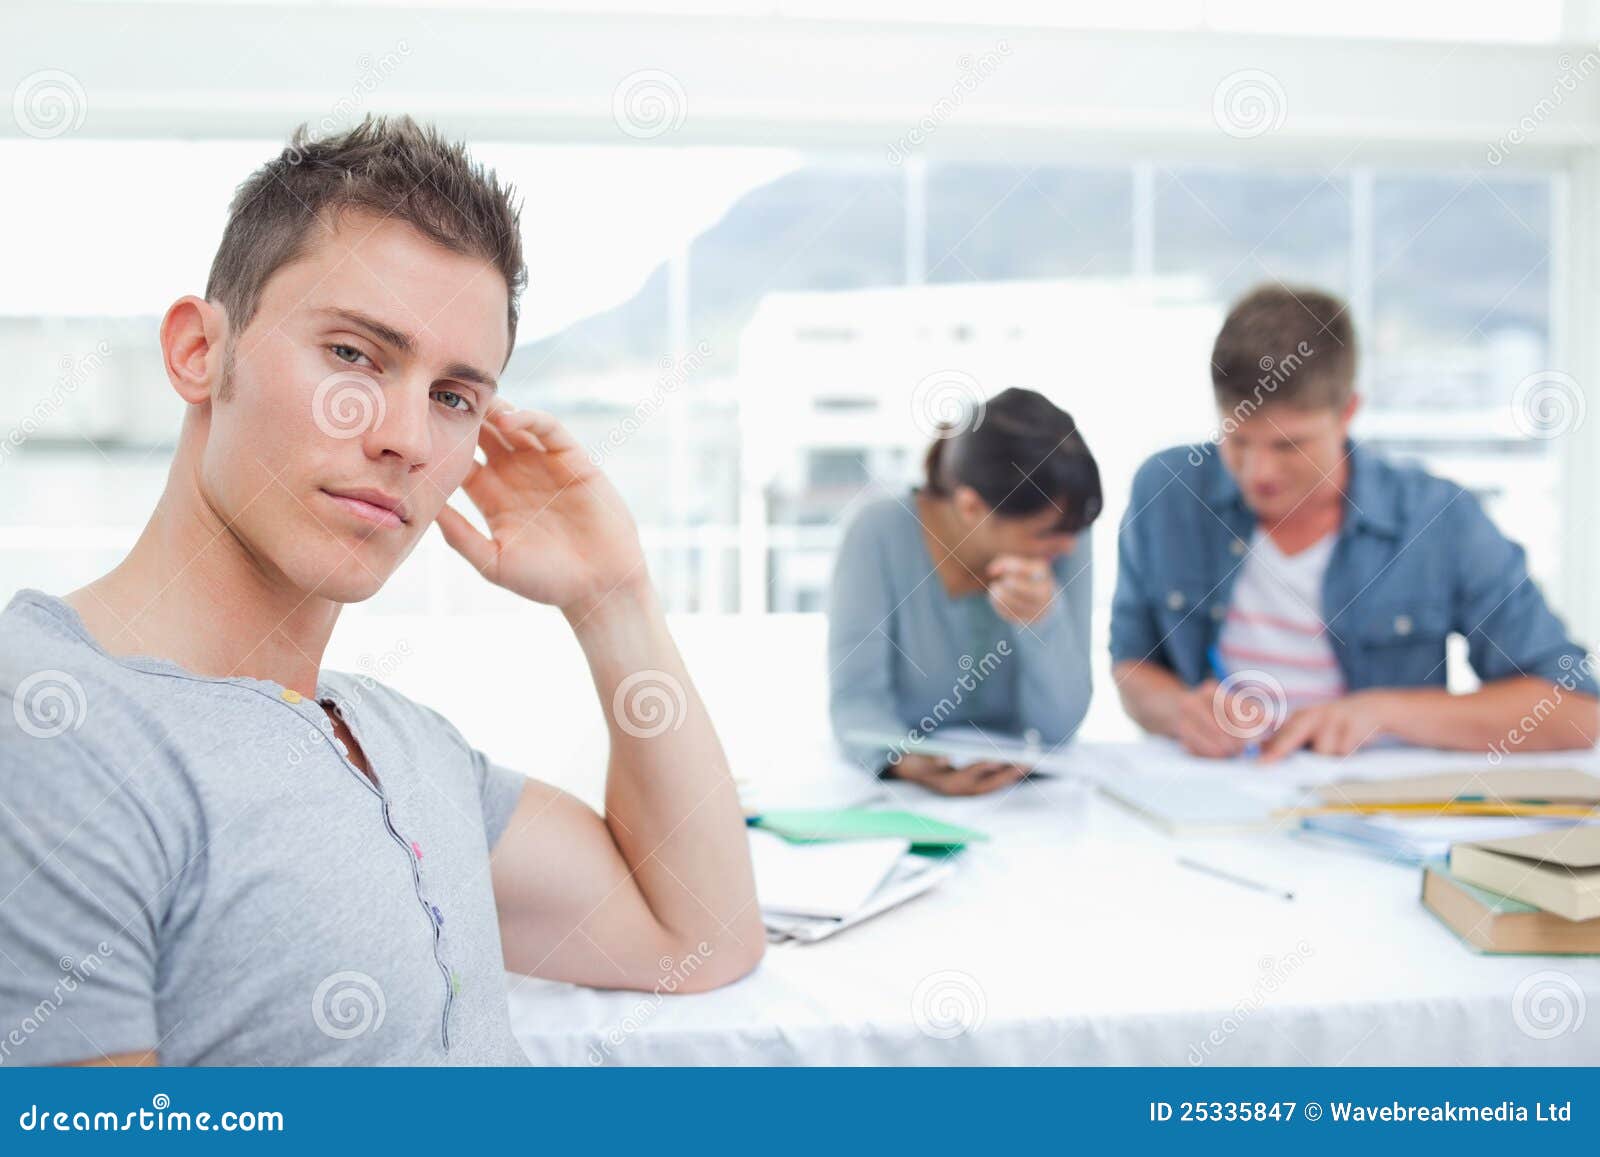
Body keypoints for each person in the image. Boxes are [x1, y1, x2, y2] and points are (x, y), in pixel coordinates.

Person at [0, 116, 762, 1067]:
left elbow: (699, 934)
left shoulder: (403, 744)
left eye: (453, 397)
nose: (406, 437)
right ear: (199, 351)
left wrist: (614, 597)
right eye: (354, 355)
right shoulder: (52, 728)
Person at [1111, 283, 1598, 760]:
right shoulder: (1166, 490)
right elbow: (1132, 664)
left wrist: (1385, 713)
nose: (1258, 473)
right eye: (1237, 439)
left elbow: (1577, 711)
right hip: (1218, 791)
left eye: (1288, 445)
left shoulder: (1437, 517)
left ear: (1348, 412)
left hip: (1372, 799)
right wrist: (1180, 712)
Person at [828, 388, 1102, 795]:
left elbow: (1059, 730)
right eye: (1045, 533)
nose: (1067, 547)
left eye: (1076, 530)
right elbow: (856, 704)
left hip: (1021, 798)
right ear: (971, 507)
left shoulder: (1064, 537)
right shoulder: (878, 533)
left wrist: (1043, 623)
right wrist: (908, 764)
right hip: (903, 793)